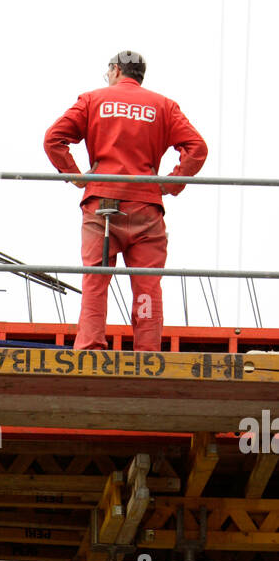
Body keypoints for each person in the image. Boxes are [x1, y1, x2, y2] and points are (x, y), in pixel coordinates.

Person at [44, 52, 208, 350]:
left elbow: (53, 138)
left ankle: (91, 345)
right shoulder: (164, 106)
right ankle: (148, 352)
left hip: (101, 203)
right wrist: (171, 182)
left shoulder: (93, 100)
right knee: (146, 284)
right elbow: (197, 148)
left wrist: (76, 176)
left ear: (116, 69)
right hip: (146, 205)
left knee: (96, 278)